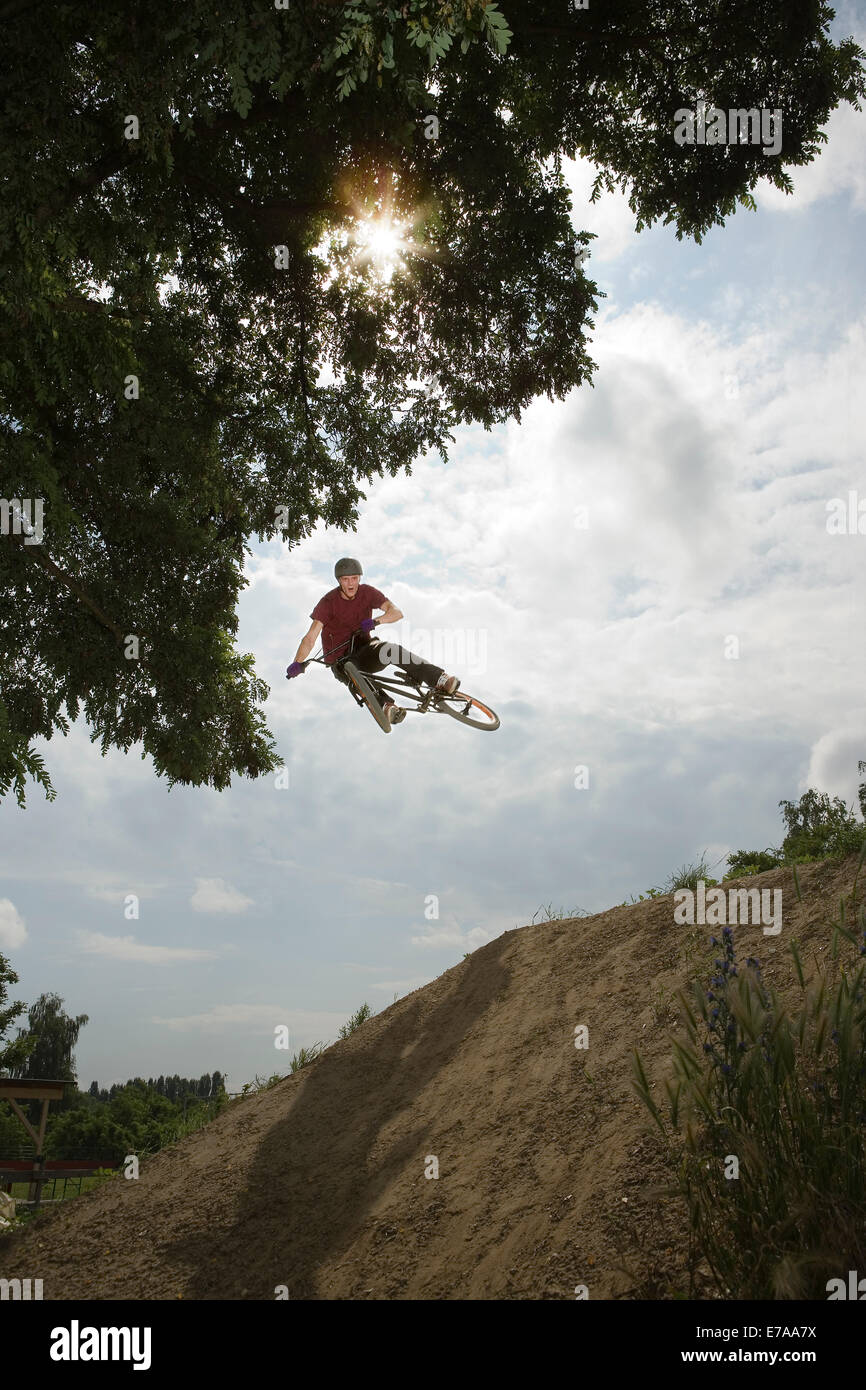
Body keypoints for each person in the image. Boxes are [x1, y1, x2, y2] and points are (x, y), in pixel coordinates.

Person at [286, 558, 460, 725]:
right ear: (339, 581)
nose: (351, 584)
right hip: (341, 661)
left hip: (366, 650)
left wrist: (377, 621)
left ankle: (440, 679)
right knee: (351, 671)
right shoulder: (328, 602)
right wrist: (298, 663)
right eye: (345, 580)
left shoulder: (367, 593)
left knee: (390, 650)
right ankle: (385, 706)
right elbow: (310, 638)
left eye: (354, 578)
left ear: (360, 578)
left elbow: (396, 612)